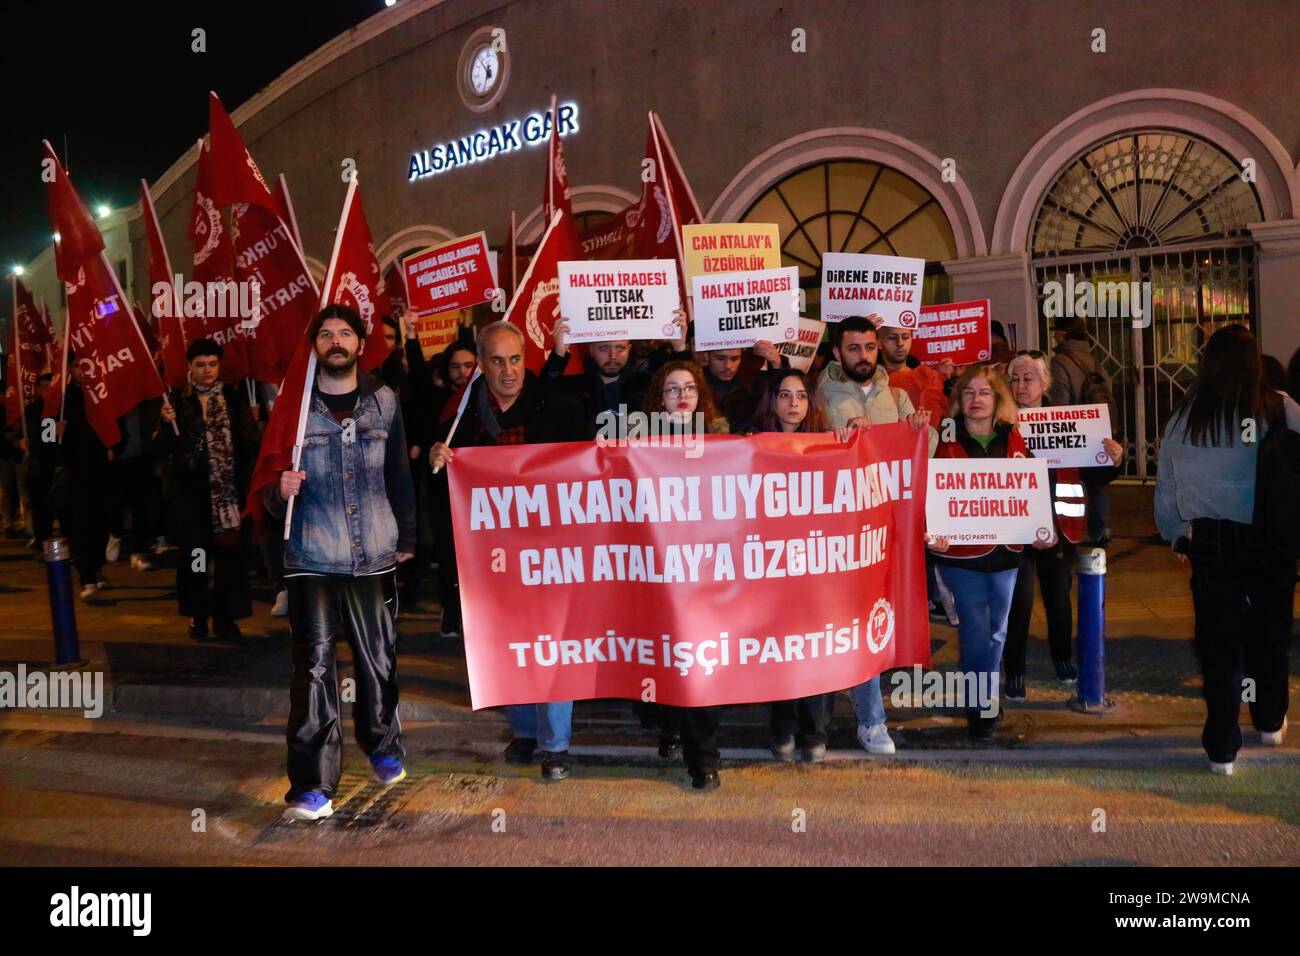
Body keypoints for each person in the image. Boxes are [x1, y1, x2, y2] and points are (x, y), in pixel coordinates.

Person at [264, 305, 417, 821]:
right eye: (325, 334)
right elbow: (262, 475)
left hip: (374, 549)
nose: (335, 341)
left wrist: (410, 533)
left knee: (378, 660)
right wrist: (274, 490)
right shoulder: (292, 406)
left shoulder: (384, 401)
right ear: (314, 345)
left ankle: (381, 745)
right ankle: (312, 783)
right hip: (310, 554)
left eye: (344, 334)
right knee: (312, 669)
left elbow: (399, 473)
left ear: (359, 343)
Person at [428, 320, 590, 782]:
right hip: (492, 562)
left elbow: (589, 472)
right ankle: (524, 730)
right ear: (480, 364)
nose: (508, 370)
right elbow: (440, 492)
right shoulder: (460, 419)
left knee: (556, 646)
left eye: (515, 359)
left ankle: (555, 745)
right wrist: (438, 463)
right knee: (506, 645)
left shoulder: (560, 409)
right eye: (497, 361)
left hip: (554, 554)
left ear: (527, 359)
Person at [1155, 324, 1298, 775]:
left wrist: (1175, 532)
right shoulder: (1280, 407)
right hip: (1272, 540)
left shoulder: (1187, 415)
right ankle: (1270, 720)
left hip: (1213, 541)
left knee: (1219, 645)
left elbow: (1168, 485)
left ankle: (1222, 748)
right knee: (1270, 634)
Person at [817, 315, 935, 754]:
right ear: (836, 353)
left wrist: (924, 430)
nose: (864, 356)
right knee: (837, 623)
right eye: (853, 348)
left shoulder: (899, 395)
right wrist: (840, 440)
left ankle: (867, 719)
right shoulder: (818, 396)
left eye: (869, 347)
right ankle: (844, 719)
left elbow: (923, 456)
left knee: (869, 621)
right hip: (835, 533)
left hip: (884, 533)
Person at [927, 364, 1057, 739]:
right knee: (976, 625)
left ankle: (984, 691)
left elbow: (1031, 491)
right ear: (959, 400)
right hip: (960, 553)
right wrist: (930, 531)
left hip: (1006, 551)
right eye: (969, 393)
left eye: (985, 392)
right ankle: (980, 703)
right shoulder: (942, 440)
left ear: (998, 400)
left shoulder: (1016, 438)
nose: (977, 399)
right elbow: (927, 491)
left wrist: (1040, 530)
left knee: (998, 630)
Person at [1004, 352, 1123, 698]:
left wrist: (1115, 459)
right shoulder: (1002, 425)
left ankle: (1062, 658)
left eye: (1029, 378)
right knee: (1019, 602)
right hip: (1016, 528)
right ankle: (1015, 670)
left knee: (1059, 599)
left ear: (1045, 384)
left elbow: (1096, 473)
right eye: (1015, 378)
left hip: (1060, 527)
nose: (1021, 385)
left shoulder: (1071, 423)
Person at [640, 358, 729, 788]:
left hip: (708, 573)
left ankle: (704, 758)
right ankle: (669, 723)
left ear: (701, 396)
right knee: (663, 658)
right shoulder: (636, 443)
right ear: (660, 397)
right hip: (656, 574)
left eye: (689, 388)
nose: (681, 396)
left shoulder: (723, 437)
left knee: (701, 662)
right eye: (672, 389)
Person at [744, 369, 837, 762]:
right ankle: (782, 723)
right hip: (773, 567)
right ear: (773, 401)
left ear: (811, 402)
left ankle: (814, 729)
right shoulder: (751, 443)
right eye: (784, 395)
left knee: (818, 646)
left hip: (818, 566)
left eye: (800, 395)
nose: (793, 403)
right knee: (781, 647)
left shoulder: (833, 444)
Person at [157, 339, 260, 641]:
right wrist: (166, 425)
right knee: (197, 558)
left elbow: (248, 445)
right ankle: (197, 614)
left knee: (230, 561)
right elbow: (165, 451)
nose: (207, 371)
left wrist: (253, 424)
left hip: (228, 497)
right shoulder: (178, 402)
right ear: (190, 367)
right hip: (194, 498)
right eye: (200, 365)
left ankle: (226, 617)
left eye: (212, 364)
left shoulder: (234, 398)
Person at [544, 310, 688, 431]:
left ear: (629, 349)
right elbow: (543, 400)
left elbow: (689, 392)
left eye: (620, 348)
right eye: (604, 348)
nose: (613, 356)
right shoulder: (574, 388)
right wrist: (559, 353)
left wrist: (680, 348)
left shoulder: (648, 386)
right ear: (592, 350)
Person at [58, 354, 113, 600]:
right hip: (74, 470)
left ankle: (98, 569)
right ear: (70, 368)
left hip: (101, 467)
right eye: (77, 366)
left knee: (102, 521)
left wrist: (115, 447)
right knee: (81, 523)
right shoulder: (61, 398)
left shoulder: (100, 393)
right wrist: (55, 434)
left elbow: (116, 424)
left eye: (85, 365)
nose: (82, 370)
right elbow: (46, 435)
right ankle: (86, 576)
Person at [700, 342, 786, 432]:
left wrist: (777, 365)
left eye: (735, 359)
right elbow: (688, 432)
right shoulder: (694, 385)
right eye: (720, 359)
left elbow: (778, 397)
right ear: (706, 356)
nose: (728, 366)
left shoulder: (754, 385)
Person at [21, 374, 56, 548]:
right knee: (38, 506)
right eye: (43, 386)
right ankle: (42, 538)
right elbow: (20, 432)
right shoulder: (30, 410)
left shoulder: (55, 409)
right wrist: (21, 441)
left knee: (53, 504)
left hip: (53, 464)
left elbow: (48, 439)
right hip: (36, 465)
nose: (46, 391)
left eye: (50, 387)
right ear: (36, 388)